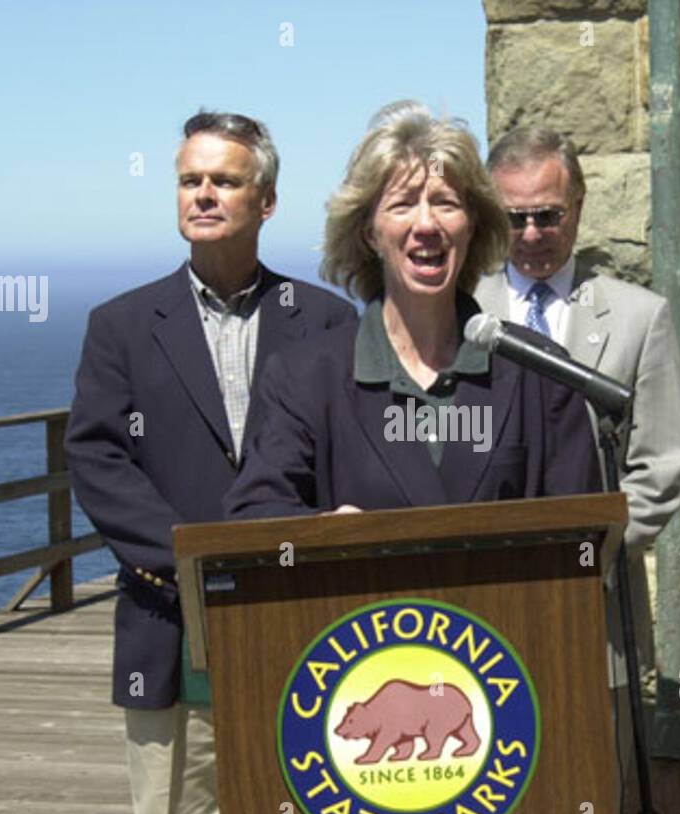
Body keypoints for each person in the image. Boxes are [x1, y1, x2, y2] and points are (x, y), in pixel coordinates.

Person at [64, 111, 356, 814]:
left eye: (223, 181)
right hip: (168, 623)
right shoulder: (121, 325)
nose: (202, 195)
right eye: (190, 180)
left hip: (299, 621)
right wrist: (188, 557)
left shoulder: (326, 321)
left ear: (266, 201)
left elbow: (346, 453)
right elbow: (96, 456)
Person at [474, 127, 680, 814]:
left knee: (596, 803)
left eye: (550, 214)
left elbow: (661, 461)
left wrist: (594, 552)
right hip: (478, 604)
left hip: (598, 613)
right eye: (515, 217)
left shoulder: (637, 316)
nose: (533, 233)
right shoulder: (459, 313)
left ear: (579, 207)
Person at [224, 102, 600, 519]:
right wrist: (321, 537)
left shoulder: (541, 374)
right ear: (369, 232)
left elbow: (582, 541)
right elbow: (256, 517)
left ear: (472, 225)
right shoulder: (304, 379)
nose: (426, 224)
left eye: (445, 203)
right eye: (402, 205)